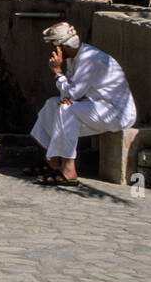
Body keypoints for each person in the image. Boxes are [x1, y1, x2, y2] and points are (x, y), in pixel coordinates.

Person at [26, 21, 136, 185]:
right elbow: (69, 93)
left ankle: (69, 169)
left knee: (67, 109)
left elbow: (71, 93)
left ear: (62, 46)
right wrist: (69, 94)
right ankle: (53, 161)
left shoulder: (91, 60)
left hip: (115, 113)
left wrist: (57, 72)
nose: (52, 51)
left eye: (53, 46)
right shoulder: (75, 57)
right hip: (94, 106)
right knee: (52, 104)